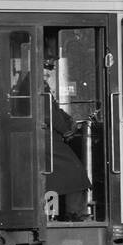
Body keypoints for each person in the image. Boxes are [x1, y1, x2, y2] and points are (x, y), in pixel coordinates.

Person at [43, 63, 89, 220]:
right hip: (47, 140)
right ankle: (74, 214)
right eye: (46, 72)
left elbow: (55, 111)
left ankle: (57, 213)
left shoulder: (40, 87)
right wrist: (67, 130)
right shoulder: (39, 87)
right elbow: (50, 114)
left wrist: (68, 120)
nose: (48, 75)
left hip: (48, 138)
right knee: (76, 174)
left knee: (56, 179)